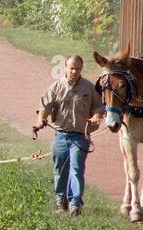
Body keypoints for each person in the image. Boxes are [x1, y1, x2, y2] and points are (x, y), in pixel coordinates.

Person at [32, 55, 104, 215]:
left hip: (80, 137)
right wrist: (40, 121)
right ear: (65, 68)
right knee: (60, 169)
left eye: (77, 68)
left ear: (81, 69)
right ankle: (60, 202)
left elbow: (99, 108)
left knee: (76, 168)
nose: (74, 71)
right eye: (71, 68)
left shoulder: (89, 88)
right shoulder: (56, 87)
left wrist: (95, 118)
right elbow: (45, 106)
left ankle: (75, 204)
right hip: (60, 136)